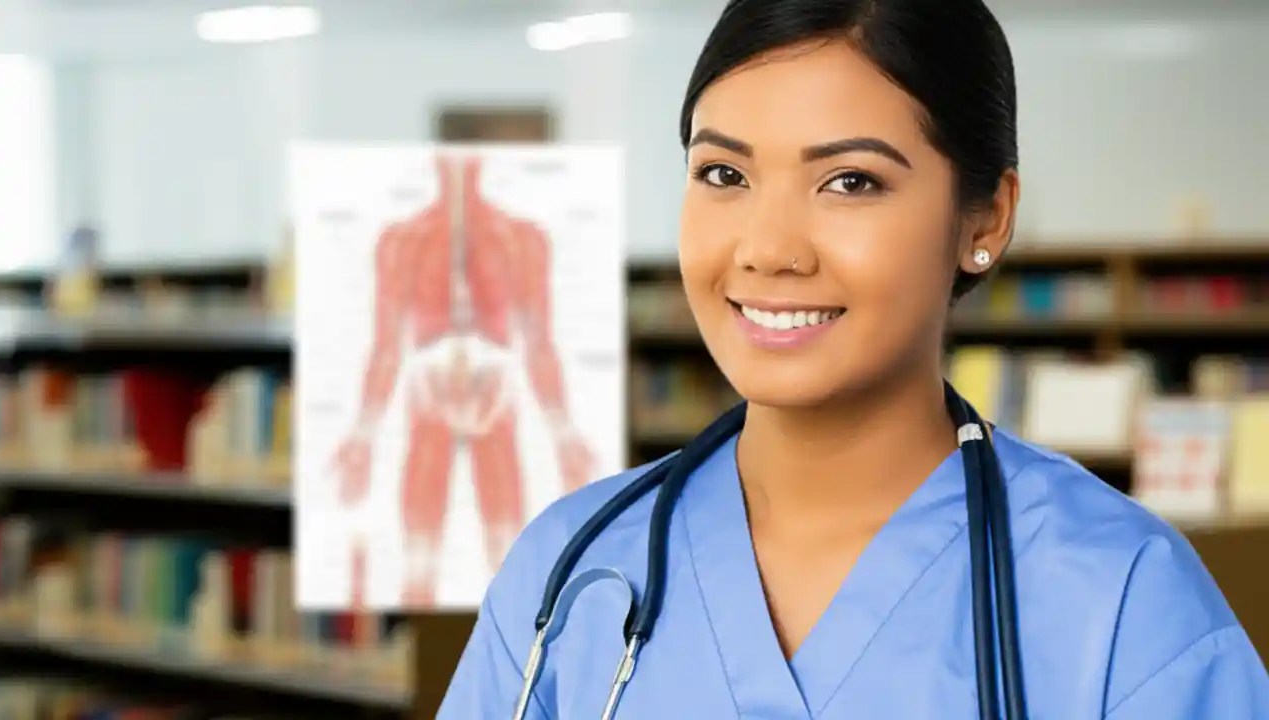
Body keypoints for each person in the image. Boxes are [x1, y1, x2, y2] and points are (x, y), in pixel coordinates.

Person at [438, 0, 1269, 717]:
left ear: (985, 220)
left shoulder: (1122, 599)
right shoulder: (573, 570)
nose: (767, 249)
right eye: (723, 172)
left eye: (850, 182)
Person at [332, 152, 597, 607]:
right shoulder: (402, 240)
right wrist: (362, 436)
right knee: (420, 565)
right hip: (431, 395)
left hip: (492, 395)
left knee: (509, 561)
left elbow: (539, 342)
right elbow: (386, 345)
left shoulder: (521, 239)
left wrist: (564, 434)